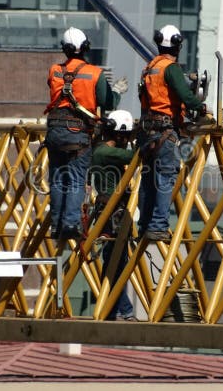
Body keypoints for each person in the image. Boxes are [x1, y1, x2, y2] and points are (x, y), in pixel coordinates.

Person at [45, 27, 126, 241]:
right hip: (77, 133)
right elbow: (108, 102)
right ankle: (71, 224)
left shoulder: (54, 70)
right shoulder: (94, 73)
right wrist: (116, 91)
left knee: (57, 180)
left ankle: (56, 225)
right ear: (86, 48)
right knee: (75, 180)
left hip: (54, 131)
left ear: (65, 48)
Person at [137, 24, 206, 241]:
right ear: (177, 46)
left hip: (147, 132)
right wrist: (200, 107)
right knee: (165, 178)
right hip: (165, 131)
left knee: (148, 181)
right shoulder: (171, 68)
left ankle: (145, 225)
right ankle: (157, 226)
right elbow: (185, 95)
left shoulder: (149, 68)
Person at [89, 109, 136, 321]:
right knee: (115, 263)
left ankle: (116, 308)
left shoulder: (100, 150)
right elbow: (136, 155)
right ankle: (118, 309)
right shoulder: (106, 153)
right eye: (126, 136)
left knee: (113, 262)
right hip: (112, 213)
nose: (127, 141)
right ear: (118, 134)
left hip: (109, 212)